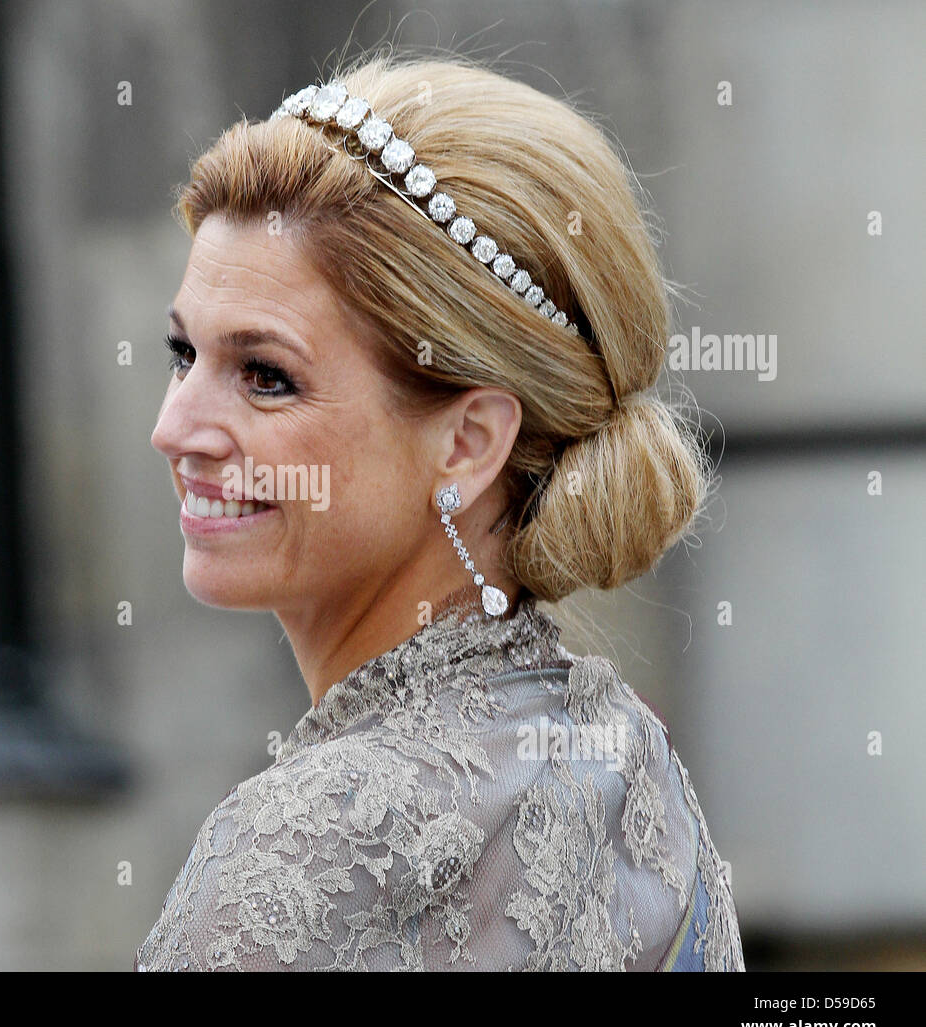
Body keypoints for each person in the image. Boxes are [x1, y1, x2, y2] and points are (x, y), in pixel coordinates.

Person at [140, 52, 744, 971]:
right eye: (185, 354)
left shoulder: (302, 849)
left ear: (465, 444)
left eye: (266, 376)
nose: (175, 428)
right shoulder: (633, 767)